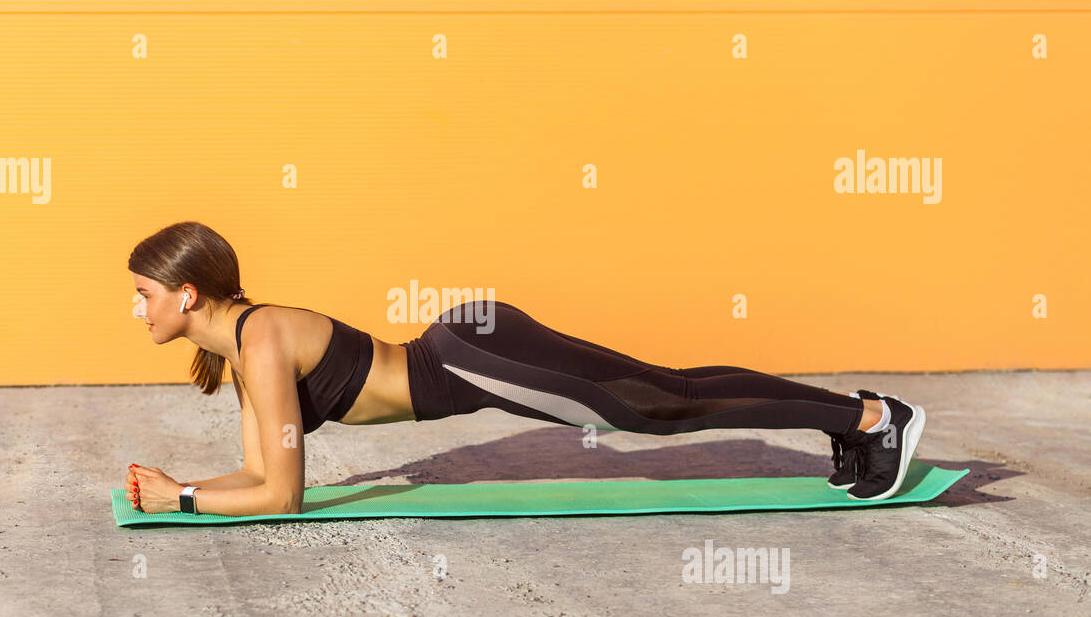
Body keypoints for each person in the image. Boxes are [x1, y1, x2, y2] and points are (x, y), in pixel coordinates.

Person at [125, 222, 927, 517]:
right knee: (667, 390)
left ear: (186, 293)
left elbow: (285, 497)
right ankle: (860, 418)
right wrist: (181, 492)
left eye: (143, 294)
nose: (137, 309)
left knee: (660, 408)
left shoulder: (262, 343)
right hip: (470, 345)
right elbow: (257, 472)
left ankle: (871, 420)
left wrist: (183, 500)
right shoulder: (240, 352)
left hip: (473, 361)